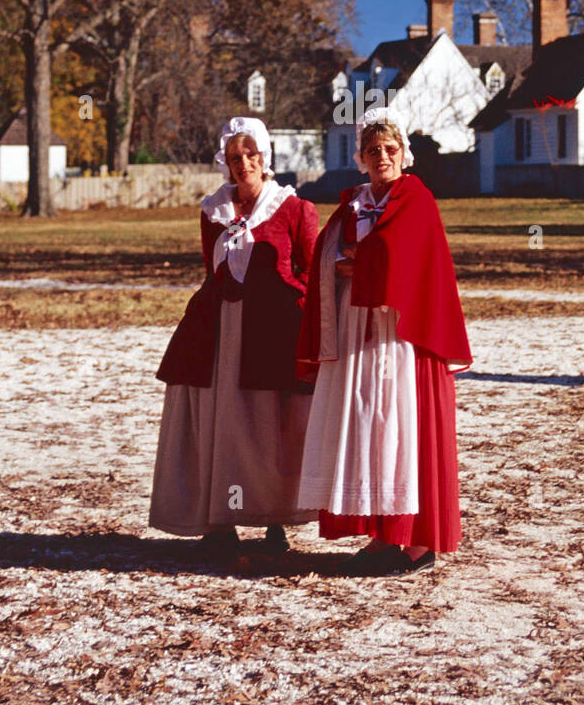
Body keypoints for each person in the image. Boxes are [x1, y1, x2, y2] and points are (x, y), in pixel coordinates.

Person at [296, 108, 471, 576]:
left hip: (398, 332)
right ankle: (378, 534)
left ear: (403, 153)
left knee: (397, 427)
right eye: (373, 150)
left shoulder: (415, 197)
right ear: (361, 155)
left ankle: (414, 540)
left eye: (390, 149)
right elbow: (327, 252)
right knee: (364, 426)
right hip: (357, 326)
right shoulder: (353, 201)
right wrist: (343, 261)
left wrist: (360, 260)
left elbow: (404, 258)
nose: (382, 157)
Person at [149, 117, 320, 557]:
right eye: (234, 157)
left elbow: (311, 273)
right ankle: (219, 519)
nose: (243, 163)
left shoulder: (295, 209)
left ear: (265, 158)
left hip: (273, 331)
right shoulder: (213, 211)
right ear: (225, 162)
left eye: (250, 155)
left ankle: (274, 518)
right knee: (219, 422)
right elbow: (212, 269)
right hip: (217, 331)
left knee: (268, 426)